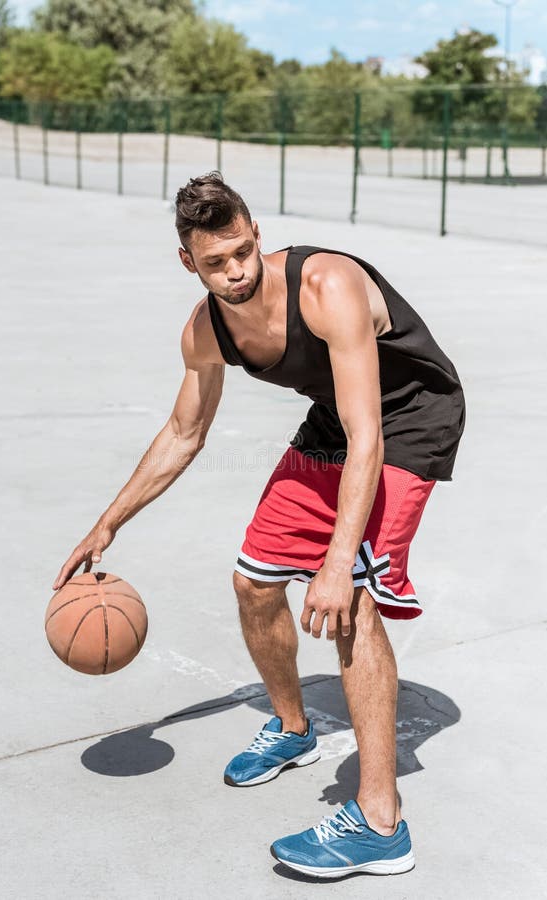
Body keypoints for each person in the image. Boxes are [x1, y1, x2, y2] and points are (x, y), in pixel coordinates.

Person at [53, 172, 465, 880]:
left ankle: (378, 824)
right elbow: (185, 433)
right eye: (216, 262)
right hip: (337, 420)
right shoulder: (205, 329)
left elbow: (367, 436)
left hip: (407, 420)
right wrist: (105, 525)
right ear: (189, 262)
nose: (236, 271)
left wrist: (337, 566)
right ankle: (293, 728)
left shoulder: (326, 286)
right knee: (253, 582)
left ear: (256, 235)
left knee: (351, 604)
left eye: (242, 250)